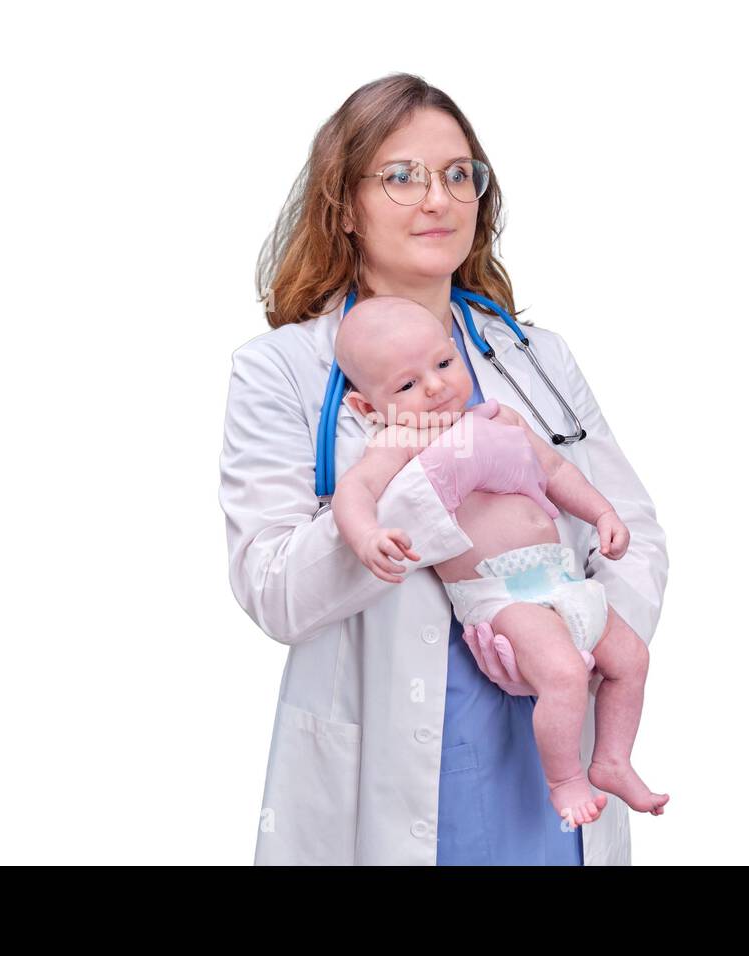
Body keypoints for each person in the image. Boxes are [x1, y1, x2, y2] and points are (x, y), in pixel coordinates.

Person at [220, 73, 669, 865]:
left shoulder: (532, 355)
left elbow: (632, 528)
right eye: (402, 176)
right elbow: (273, 589)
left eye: (459, 174)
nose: (438, 199)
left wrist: (591, 638)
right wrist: (433, 485)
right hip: (396, 749)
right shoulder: (281, 369)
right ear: (344, 204)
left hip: (553, 724)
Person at [331, 295, 670, 827]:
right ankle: (566, 780)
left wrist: (603, 513)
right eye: (406, 385)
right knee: (560, 673)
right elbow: (354, 491)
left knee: (631, 660)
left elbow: (556, 470)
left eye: (443, 364)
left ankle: (612, 759)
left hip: (561, 575)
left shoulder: (498, 416)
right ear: (367, 408)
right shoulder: (400, 441)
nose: (436, 386)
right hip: (500, 593)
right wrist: (367, 534)